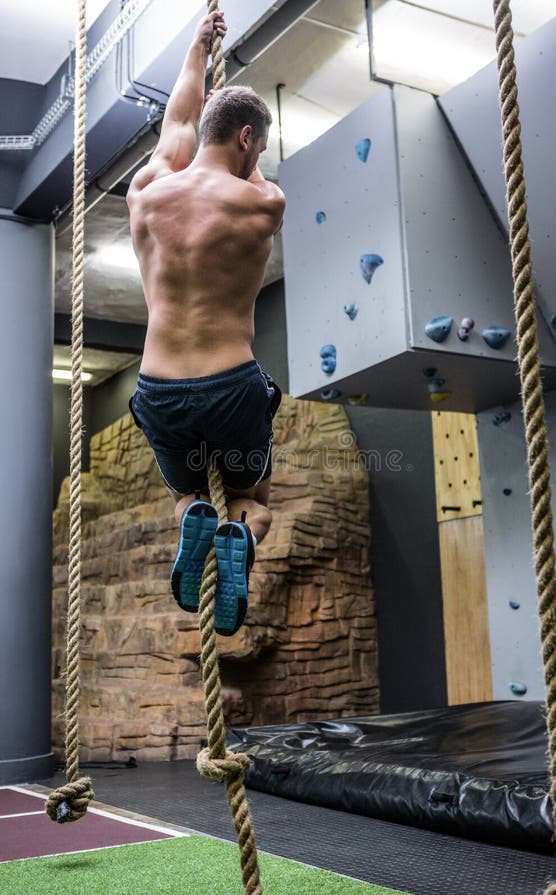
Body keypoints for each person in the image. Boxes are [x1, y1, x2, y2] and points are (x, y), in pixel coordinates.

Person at [126, 10, 285, 636]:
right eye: (258, 145)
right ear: (247, 139)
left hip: (158, 388)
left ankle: (195, 515)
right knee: (253, 502)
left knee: (185, 494)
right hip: (230, 387)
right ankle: (235, 536)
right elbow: (246, 169)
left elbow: (179, 124)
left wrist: (198, 49)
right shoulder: (262, 202)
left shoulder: (146, 191)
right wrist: (245, 143)